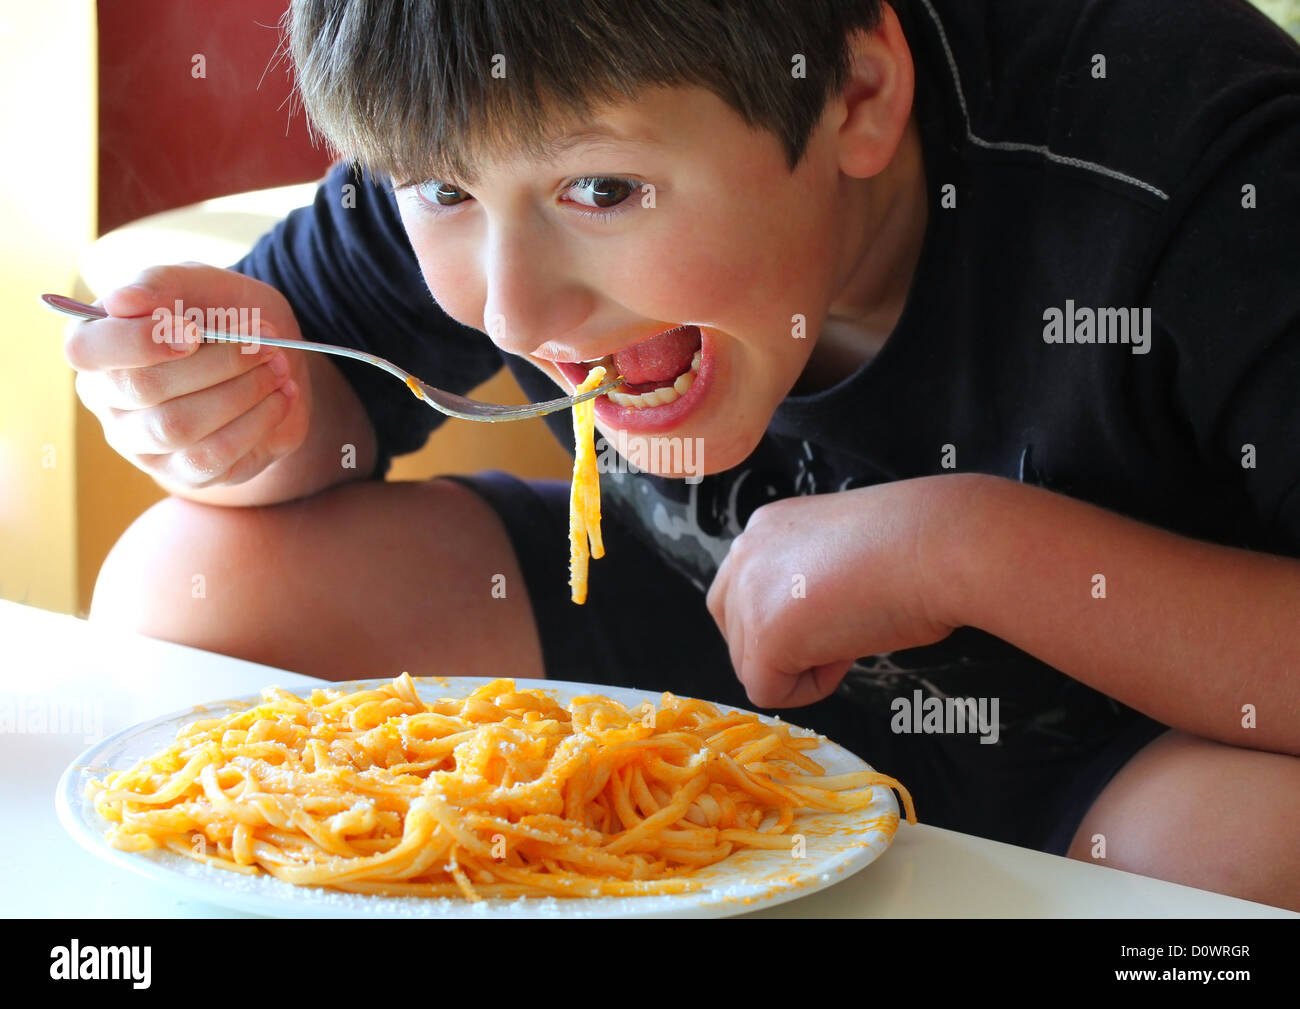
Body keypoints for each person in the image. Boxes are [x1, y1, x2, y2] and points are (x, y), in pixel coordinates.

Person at [66, 0, 1300, 910]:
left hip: (1130, 751)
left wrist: (967, 551)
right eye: (437, 188)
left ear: (859, 96)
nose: (511, 313)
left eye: (604, 189)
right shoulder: (497, 119)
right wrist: (250, 418)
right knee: (195, 579)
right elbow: (324, 404)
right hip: (683, 678)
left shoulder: (1210, 180)